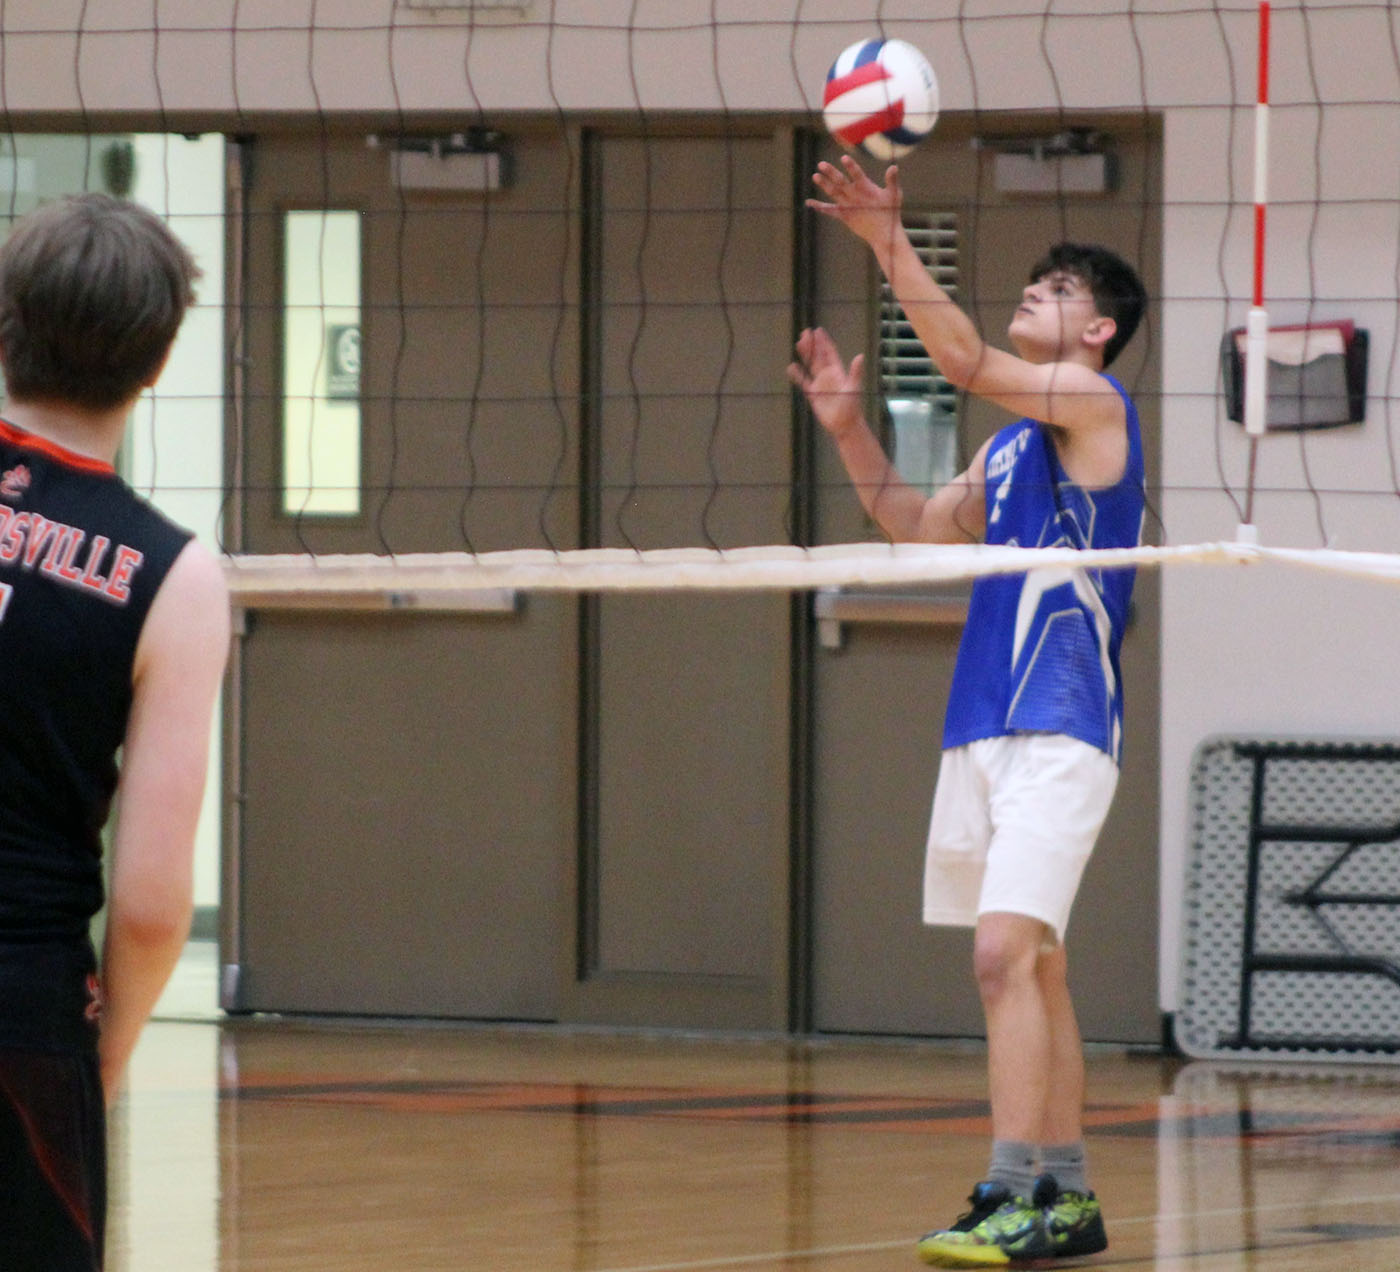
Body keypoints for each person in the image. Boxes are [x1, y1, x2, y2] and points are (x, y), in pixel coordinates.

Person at [788, 155, 1147, 1269]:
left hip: (1061, 723)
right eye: (1032, 283)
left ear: (1095, 335)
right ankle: (1068, 1197)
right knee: (1032, 967)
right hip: (980, 728)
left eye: (1056, 290)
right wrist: (848, 426)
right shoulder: (1000, 451)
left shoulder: (1093, 408)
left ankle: (1005, 1187)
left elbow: (956, 357)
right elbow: (905, 521)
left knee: (998, 956)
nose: (1034, 292)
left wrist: (889, 242)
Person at [0, 193, 230, 1270]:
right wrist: (107, 1055)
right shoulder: (173, 577)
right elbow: (146, 907)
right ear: (158, 360)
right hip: (21, 1012)